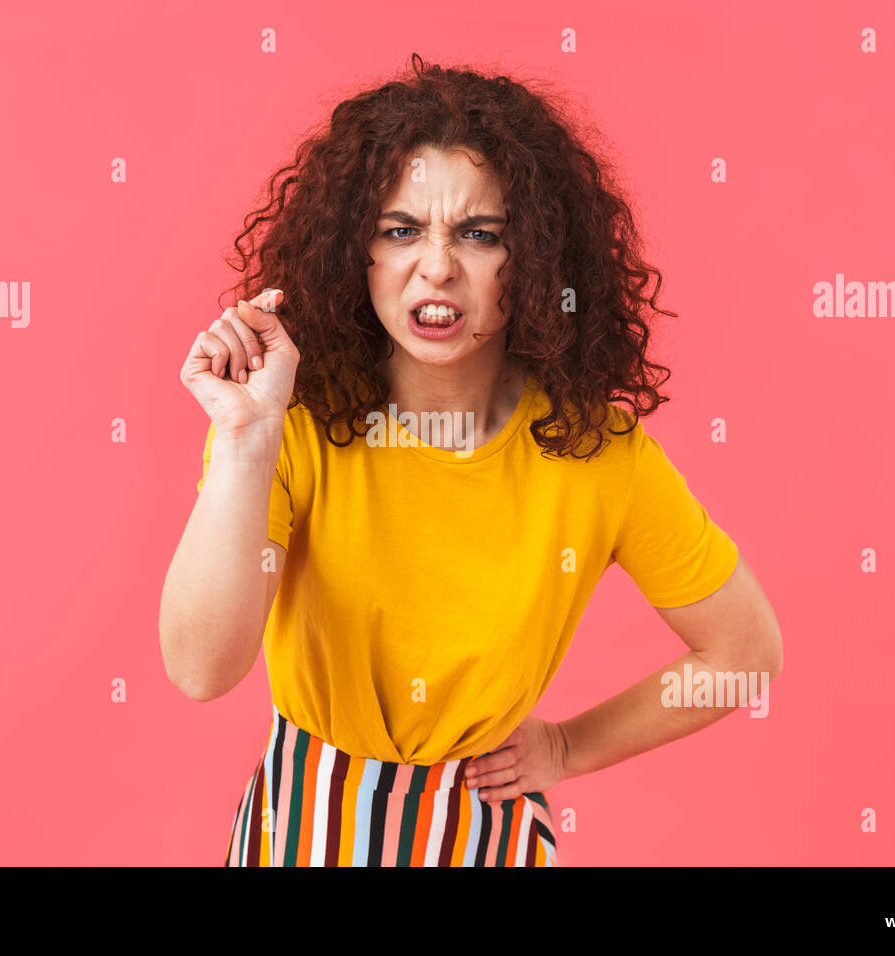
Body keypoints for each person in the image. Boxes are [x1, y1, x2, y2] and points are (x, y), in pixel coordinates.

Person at [159, 54, 783, 867]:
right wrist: (246, 441)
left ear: (536, 259)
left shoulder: (597, 453)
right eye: (401, 229)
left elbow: (744, 655)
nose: (438, 266)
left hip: (486, 838)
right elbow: (201, 669)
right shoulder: (288, 424)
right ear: (360, 252)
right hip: (301, 830)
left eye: (480, 235)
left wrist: (566, 749)